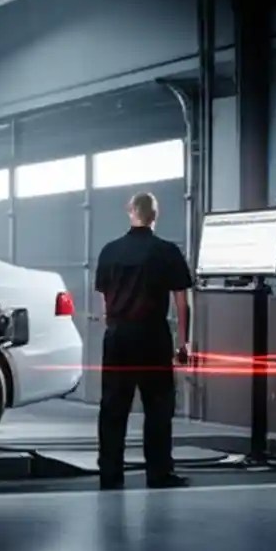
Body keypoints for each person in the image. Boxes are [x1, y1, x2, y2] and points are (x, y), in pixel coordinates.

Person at [94, 192, 193, 490]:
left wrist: (114, 326)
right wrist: (184, 343)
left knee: (113, 407)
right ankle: (158, 473)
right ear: (155, 215)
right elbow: (181, 303)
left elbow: (104, 302)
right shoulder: (167, 251)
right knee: (158, 407)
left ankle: (110, 474)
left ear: (130, 211)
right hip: (152, 336)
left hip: (118, 337)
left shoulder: (109, 251)